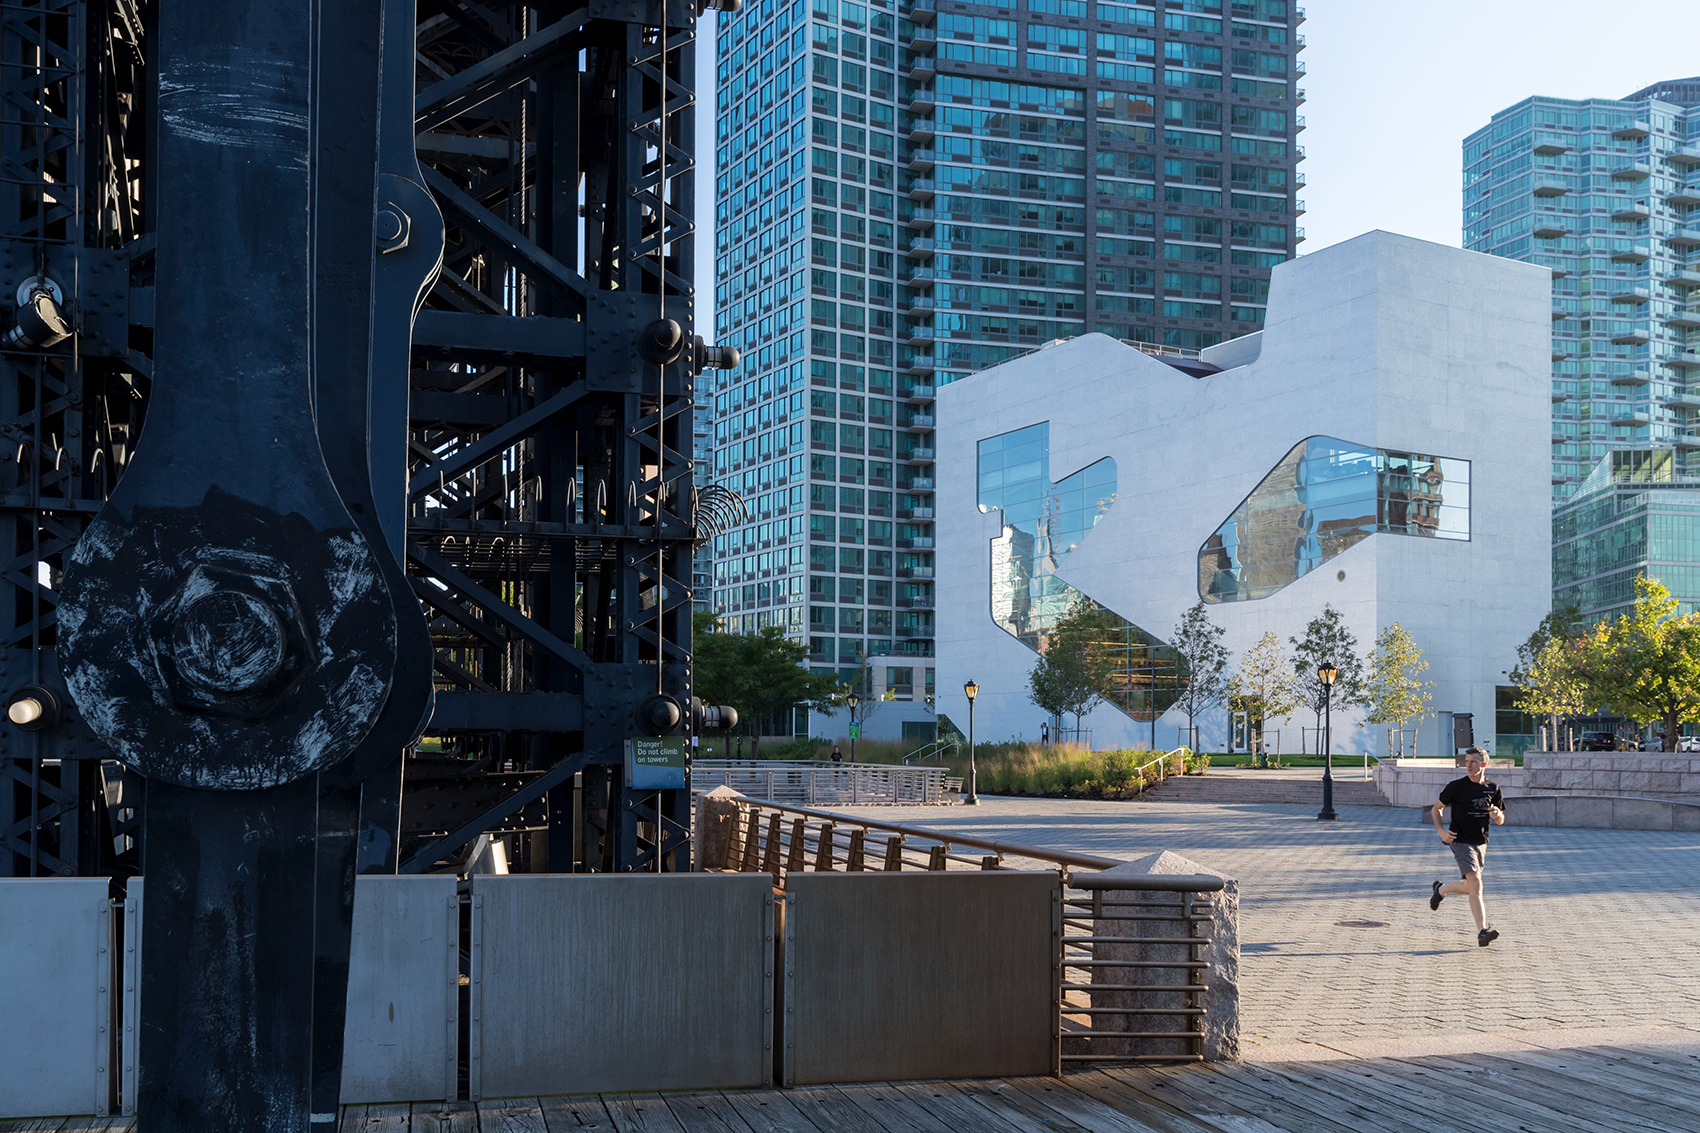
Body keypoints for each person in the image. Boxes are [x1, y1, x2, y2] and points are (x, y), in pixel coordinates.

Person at [1427, 746, 1506, 946]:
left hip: (1481, 842)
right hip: (1459, 840)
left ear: (1484, 764)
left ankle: (1441, 890)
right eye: (1467, 761)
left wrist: (1497, 815)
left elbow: (1501, 819)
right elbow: (1436, 809)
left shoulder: (1493, 789)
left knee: (1471, 886)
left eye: (1473, 762)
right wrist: (1441, 832)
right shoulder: (1456, 787)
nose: (1468, 765)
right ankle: (1482, 931)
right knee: (1477, 882)